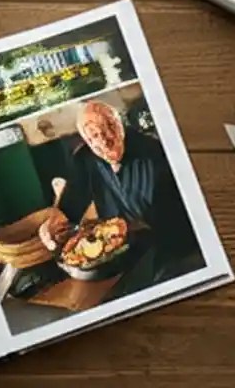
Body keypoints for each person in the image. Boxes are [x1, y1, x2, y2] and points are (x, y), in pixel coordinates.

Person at [43, 100, 199, 283]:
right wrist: (52, 227)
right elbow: (69, 210)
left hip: (173, 251)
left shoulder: (157, 153)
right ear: (86, 140)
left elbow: (185, 218)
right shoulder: (85, 160)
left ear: (120, 123)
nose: (103, 139)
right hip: (116, 258)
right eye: (93, 135)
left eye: (109, 126)